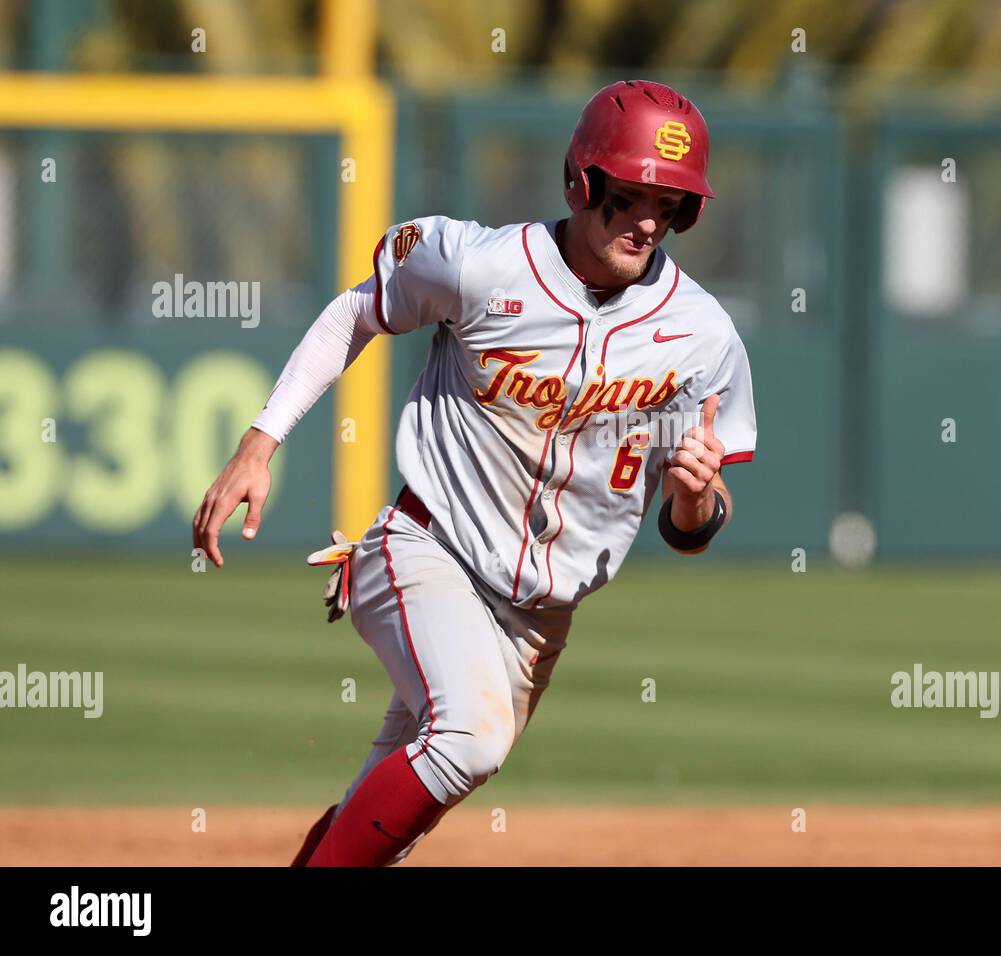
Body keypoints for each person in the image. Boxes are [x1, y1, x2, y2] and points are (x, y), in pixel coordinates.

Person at [191, 79, 757, 866]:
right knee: (471, 737)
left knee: (387, 814)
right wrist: (261, 442)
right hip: (427, 547)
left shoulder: (699, 335)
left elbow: (690, 524)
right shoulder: (483, 267)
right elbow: (358, 311)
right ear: (581, 181)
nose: (648, 220)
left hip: (538, 620)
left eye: (672, 205)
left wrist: (697, 499)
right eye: (628, 196)